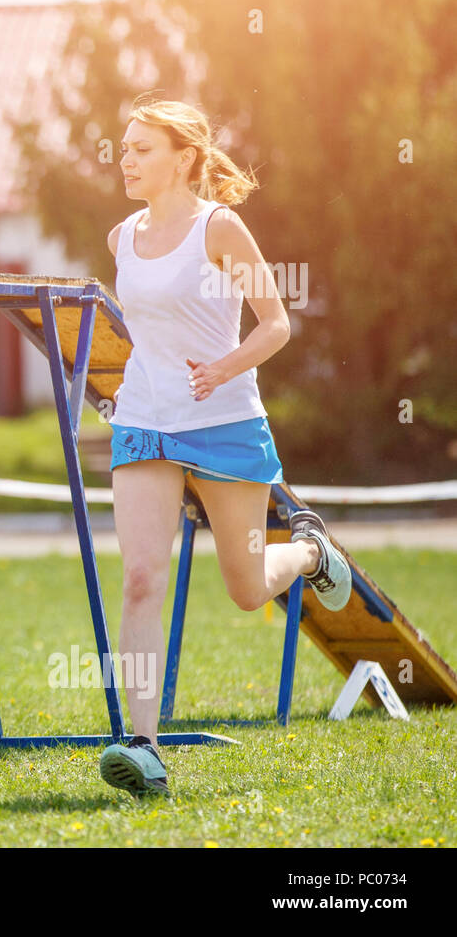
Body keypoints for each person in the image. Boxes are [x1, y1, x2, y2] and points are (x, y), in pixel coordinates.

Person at [96, 94, 352, 798]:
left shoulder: (221, 228)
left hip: (223, 423)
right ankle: (142, 746)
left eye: (142, 149)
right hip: (144, 422)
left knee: (245, 591)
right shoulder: (122, 237)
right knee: (142, 578)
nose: (127, 158)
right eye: (124, 147)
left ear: (184, 159)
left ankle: (306, 551)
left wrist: (222, 368)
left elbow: (275, 325)